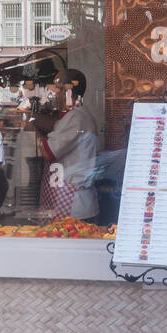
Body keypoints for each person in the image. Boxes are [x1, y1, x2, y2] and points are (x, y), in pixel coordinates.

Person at [32, 68, 99, 221]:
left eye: (59, 88)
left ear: (70, 91)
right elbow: (57, 128)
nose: (55, 93)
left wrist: (31, 128)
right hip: (69, 198)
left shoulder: (76, 117)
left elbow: (48, 152)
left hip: (75, 204)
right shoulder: (74, 115)